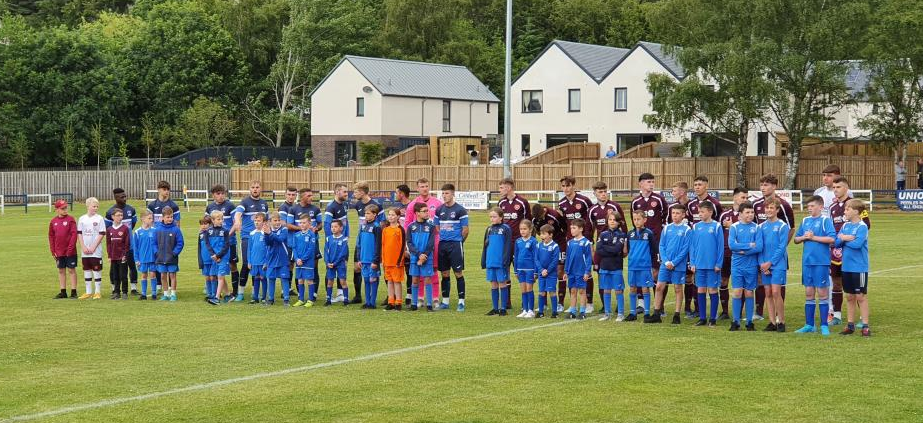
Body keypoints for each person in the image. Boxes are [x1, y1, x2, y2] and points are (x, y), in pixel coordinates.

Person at [828, 175, 871, 325]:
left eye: (838, 187)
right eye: (833, 187)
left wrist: (845, 238)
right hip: (838, 252)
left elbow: (865, 226)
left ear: (846, 188)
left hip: (857, 260)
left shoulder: (855, 206)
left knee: (859, 293)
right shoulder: (832, 208)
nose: (835, 190)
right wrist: (843, 239)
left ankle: (862, 320)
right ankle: (838, 315)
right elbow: (835, 235)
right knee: (837, 282)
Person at [753, 174, 795, 319]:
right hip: (762, 254)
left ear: (774, 186)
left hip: (778, 254)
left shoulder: (783, 205)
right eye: (761, 185)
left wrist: (781, 247)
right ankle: (759, 312)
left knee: (777, 287)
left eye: (766, 185)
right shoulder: (756, 204)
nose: (763, 188)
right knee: (763, 284)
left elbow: (791, 229)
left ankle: (779, 316)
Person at [793, 195, 836, 336]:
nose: (809, 209)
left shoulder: (825, 221)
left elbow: (831, 239)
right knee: (809, 293)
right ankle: (809, 325)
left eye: (812, 206)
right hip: (807, 262)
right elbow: (796, 239)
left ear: (820, 207)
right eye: (808, 206)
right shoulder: (805, 220)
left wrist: (813, 237)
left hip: (821, 262)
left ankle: (824, 325)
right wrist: (804, 237)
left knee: (822, 293)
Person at [631, 173, 667, 313]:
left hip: (656, 242)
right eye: (648, 182)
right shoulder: (635, 202)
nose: (651, 184)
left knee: (657, 272)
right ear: (640, 184)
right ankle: (641, 303)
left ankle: (660, 306)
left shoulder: (659, 199)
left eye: (652, 181)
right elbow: (634, 221)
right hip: (640, 244)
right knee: (640, 271)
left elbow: (666, 218)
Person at [588, 181, 627, 312]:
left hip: (616, 247)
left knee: (616, 274)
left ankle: (618, 305)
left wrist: (625, 246)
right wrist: (591, 248)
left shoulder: (615, 206)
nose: (603, 194)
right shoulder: (592, 210)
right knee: (601, 275)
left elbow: (624, 226)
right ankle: (606, 305)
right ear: (595, 194)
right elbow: (589, 230)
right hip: (601, 248)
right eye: (600, 192)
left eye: (605, 191)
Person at [404, 178, 442, 305]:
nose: (424, 188)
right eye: (421, 186)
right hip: (416, 243)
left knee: (433, 269)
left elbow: (441, 222)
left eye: (426, 186)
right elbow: (407, 225)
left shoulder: (437, 203)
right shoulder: (412, 205)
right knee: (418, 271)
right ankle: (420, 297)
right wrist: (407, 245)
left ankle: (435, 298)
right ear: (417, 188)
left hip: (433, 241)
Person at [649, 204, 690, 324]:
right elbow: (661, 245)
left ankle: (677, 315)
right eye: (673, 213)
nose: (675, 216)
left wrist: (674, 262)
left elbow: (685, 249)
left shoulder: (687, 230)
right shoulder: (667, 228)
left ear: (683, 215)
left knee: (678, 288)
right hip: (665, 264)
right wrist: (666, 261)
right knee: (659, 287)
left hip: (679, 265)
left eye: (678, 213)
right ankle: (656, 313)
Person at [558, 175, 593, 312]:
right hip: (570, 242)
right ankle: (571, 306)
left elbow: (591, 220)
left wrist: (589, 239)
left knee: (586, 270)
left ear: (573, 185)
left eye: (568, 185)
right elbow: (562, 224)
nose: (566, 188)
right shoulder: (561, 203)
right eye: (563, 186)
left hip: (585, 241)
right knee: (571, 269)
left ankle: (589, 303)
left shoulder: (584, 201)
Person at [836, 199, 871, 337]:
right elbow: (837, 243)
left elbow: (857, 245)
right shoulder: (845, 226)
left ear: (856, 211)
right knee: (850, 296)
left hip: (859, 267)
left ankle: (865, 326)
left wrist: (845, 239)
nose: (845, 212)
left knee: (860, 296)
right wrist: (846, 238)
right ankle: (850, 325)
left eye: (847, 209)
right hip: (847, 267)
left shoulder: (862, 227)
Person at [434, 184, 469, 311]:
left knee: (458, 273)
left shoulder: (460, 210)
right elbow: (437, 227)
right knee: (444, 273)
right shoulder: (439, 210)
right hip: (443, 244)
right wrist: (445, 237)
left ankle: (461, 302)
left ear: (453, 194)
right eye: (443, 193)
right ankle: (445, 302)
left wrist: (458, 241)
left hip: (455, 245)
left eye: (447, 193)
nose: (444, 196)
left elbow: (465, 230)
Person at [728, 202, 762, 331]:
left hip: (751, 266)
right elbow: (732, 245)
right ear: (740, 214)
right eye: (747, 212)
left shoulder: (757, 227)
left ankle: (749, 322)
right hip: (737, 265)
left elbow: (759, 247)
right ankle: (735, 321)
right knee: (737, 292)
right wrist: (749, 245)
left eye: (752, 212)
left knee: (749, 293)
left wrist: (743, 250)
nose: (750, 215)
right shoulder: (734, 227)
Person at [689, 201, 723, 327]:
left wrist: (718, 263)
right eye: (699, 212)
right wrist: (692, 262)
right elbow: (692, 246)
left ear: (710, 212)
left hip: (712, 265)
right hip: (699, 264)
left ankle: (713, 319)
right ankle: (702, 318)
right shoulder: (696, 227)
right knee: (701, 289)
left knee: (713, 290)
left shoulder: (716, 226)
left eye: (702, 212)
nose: (700, 214)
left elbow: (720, 247)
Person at [758, 198, 790, 332]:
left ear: (777, 210)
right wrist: (762, 264)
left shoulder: (783, 226)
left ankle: (781, 321)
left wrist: (770, 263)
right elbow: (759, 247)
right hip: (764, 265)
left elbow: (781, 247)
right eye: (767, 208)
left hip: (778, 264)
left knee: (776, 291)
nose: (769, 210)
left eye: (772, 208)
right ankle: (771, 322)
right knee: (768, 292)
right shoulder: (761, 226)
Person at [233, 180, 268, 301]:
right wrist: (237, 221)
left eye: (257, 187)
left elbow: (266, 220)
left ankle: (255, 292)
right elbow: (238, 213)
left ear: (260, 188)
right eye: (253, 187)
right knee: (247, 263)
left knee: (258, 264)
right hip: (248, 237)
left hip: (262, 238)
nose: (255, 189)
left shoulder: (264, 203)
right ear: (249, 189)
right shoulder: (245, 202)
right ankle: (241, 292)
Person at [352, 181, 385, 304]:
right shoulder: (357, 205)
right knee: (357, 269)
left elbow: (383, 223)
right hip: (362, 244)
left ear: (362, 192)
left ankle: (379, 299)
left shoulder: (376, 205)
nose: (354, 194)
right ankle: (359, 296)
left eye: (355, 191)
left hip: (373, 246)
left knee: (374, 276)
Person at [718, 188, 748, 319]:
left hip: (741, 255)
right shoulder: (724, 215)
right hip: (725, 254)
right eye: (743, 197)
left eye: (746, 198)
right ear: (735, 198)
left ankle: (739, 312)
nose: (745, 200)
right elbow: (718, 234)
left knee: (740, 284)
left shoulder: (747, 215)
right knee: (723, 281)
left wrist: (732, 226)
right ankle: (724, 312)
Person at [531, 203, 567, 313]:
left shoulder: (554, 215)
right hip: (545, 245)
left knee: (559, 271)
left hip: (559, 243)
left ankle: (560, 303)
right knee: (544, 269)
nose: (540, 219)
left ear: (544, 212)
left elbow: (565, 228)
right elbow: (537, 232)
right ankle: (544, 303)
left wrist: (562, 242)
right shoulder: (534, 219)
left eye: (541, 217)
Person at [205, 185, 239, 299]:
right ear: (213, 195)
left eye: (222, 193)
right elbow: (207, 224)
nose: (220, 196)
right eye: (218, 194)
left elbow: (236, 222)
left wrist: (227, 235)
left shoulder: (230, 205)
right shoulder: (210, 207)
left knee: (232, 265)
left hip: (230, 241)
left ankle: (235, 292)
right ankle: (225, 293)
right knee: (219, 267)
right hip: (216, 244)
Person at [669, 181, 696, 318]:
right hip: (677, 249)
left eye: (674, 191)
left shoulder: (692, 206)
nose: (672, 193)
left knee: (690, 276)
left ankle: (689, 308)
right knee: (681, 278)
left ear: (682, 192)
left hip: (691, 247)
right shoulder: (673, 208)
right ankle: (684, 308)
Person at [105, 188, 138, 294]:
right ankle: (114, 288)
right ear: (116, 198)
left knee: (132, 265)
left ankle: (133, 288)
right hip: (116, 246)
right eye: (122, 197)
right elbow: (109, 229)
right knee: (114, 268)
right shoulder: (110, 212)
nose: (125, 198)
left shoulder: (131, 210)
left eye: (125, 196)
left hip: (129, 244)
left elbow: (132, 224)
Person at [596, 211, 628, 321]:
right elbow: (599, 250)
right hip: (604, 266)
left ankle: (620, 314)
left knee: (618, 290)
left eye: (614, 220)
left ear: (619, 222)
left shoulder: (622, 235)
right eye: (610, 219)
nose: (612, 221)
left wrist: (606, 248)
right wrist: (610, 249)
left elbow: (617, 249)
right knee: (606, 290)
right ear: (607, 221)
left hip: (616, 267)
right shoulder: (603, 234)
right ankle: (607, 313)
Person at [290, 187, 323, 295]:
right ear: (302, 197)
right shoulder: (293, 209)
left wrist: (316, 228)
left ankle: (314, 293)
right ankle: (301, 293)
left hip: (313, 242)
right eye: (308, 195)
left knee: (314, 267)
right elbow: (289, 225)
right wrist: (303, 228)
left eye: (311, 195)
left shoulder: (316, 209)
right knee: (299, 266)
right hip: (299, 243)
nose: (311, 197)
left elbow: (320, 224)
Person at [482, 207, 513, 316]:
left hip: (501, 262)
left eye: (494, 217)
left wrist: (505, 260)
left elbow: (508, 245)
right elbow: (485, 246)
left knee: (502, 283)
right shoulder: (489, 229)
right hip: (491, 261)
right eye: (490, 217)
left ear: (501, 217)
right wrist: (484, 260)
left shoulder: (505, 229)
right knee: (493, 284)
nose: (492, 219)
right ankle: (495, 308)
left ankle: (503, 308)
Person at [626, 210, 657, 321]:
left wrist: (653, 266)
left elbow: (654, 250)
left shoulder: (648, 233)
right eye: (634, 219)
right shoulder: (630, 234)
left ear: (645, 220)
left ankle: (647, 314)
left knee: (645, 289)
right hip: (632, 266)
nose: (636, 221)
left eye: (639, 219)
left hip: (644, 266)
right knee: (633, 288)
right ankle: (632, 313)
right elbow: (629, 249)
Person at [407, 202, 437, 311]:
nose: (427, 213)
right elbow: (409, 243)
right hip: (415, 257)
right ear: (417, 213)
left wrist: (424, 255)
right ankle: (414, 304)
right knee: (415, 280)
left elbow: (431, 243)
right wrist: (419, 254)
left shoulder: (431, 227)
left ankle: (429, 304)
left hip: (427, 257)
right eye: (424, 211)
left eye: (427, 210)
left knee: (427, 279)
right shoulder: (411, 227)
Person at [49, 199, 79, 299]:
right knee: (61, 270)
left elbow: (74, 235)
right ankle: (63, 292)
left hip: (70, 251)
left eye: (66, 207)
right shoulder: (53, 221)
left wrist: (70, 249)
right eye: (62, 208)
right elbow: (51, 236)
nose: (65, 210)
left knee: (71, 270)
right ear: (57, 209)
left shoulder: (71, 219)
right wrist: (53, 250)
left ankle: (73, 292)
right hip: (59, 251)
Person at [564, 218, 593, 320]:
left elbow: (589, 259)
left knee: (582, 291)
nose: (572, 230)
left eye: (574, 228)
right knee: (572, 291)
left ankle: (582, 311)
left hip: (581, 271)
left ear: (580, 229)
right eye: (571, 228)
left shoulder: (586, 242)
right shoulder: (570, 243)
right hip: (572, 271)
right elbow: (567, 258)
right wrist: (566, 271)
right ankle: (572, 310)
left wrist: (587, 272)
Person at [77, 197, 106, 300]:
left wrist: (94, 246)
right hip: (85, 251)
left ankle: (97, 292)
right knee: (86, 269)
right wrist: (83, 246)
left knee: (96, 270)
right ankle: (88, 292)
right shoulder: (82, 219)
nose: (96, 208)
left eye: (97, 206)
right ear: (88, 206)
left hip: (96, 250)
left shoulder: (99, 218)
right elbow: (79, 234)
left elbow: (102, 233)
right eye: (94, 206)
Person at [153, 207, 184, 302]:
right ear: (162, 218)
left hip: (172, 258)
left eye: (171, 217)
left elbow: (180, 243)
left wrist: (175, 253)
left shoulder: (176, 229)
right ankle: (165, 294)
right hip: (161, 257)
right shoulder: (157, 229)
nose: (170, 219)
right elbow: (153, 243)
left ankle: (173, 294)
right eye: (168, 217)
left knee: (172, 276)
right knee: (162, 276)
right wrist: (156, 252)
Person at [356, 205, 383, 309]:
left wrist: (375, 260)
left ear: (374, 214)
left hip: (372, 260)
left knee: (373, 280)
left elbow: (378, 245)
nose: (366, 216)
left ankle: (372, 302)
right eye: (365, 213)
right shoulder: (362, 226)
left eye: (368, 213)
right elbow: (359, 243)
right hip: (363, 259)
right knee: (366, 280)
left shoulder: (376, 227)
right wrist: (359, 258)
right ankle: (367, 302)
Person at [204, 210, 232, 305]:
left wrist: (219, 255)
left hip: (223, 257)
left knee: (220, 276)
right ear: (212, 220)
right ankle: (228, 295)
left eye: (222, 219)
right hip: (214, 258)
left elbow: (226, 245)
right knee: (219, 276)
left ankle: (216, 298)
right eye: (218, 219)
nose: (221, 221)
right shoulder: (208, 231)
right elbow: (207, 244)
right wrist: (213, 255)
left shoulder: (225, 231)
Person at [264, 211, 291, 306]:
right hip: (271, 259)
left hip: (283, 259)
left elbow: (280, 239)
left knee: (284, 279)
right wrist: (267, 234)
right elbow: (267, 243)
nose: (277, 222)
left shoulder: (284, 229)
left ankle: (286, 299)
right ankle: (271, 299)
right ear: (270, 221)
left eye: (279, 220)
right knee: (271, 279)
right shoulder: (268, 231)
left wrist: (270, 233)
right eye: (275, 220)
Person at [381, 208, 406, 311]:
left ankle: (398, 302)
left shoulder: (400, 229)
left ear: (398, 217)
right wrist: (383, 259)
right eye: (389, 215)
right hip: (387, 261)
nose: (390, 217)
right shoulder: (385, 230)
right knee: (389, 281)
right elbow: (383, 245)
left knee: (396, 282)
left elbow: (403, 245)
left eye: (393, 215)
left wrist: (400, 260)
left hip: (397, 261)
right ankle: (391, 302)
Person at [513, 220, 538, 318]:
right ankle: (525, 310)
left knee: (529, 289)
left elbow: (536, 257)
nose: (522, 231)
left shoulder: (533, 241)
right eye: (521, 229)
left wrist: (536, 271)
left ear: (530, 230)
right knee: (523, 290)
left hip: (530, 270)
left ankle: (531, 310)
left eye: (524, 229)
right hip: (520, 269)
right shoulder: (518, 241)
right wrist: (515, 270)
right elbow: (515, 256)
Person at [535, 224, 561, 318]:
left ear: (550, 235)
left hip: (551, 274)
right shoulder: (538, 245)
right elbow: (536, 259)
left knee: (552, 291)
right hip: (541, 273)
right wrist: (541, 270)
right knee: (541, 291)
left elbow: (555, 261)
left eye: (544, 234)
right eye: (541, 234)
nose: (542, 236)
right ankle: (541, 311)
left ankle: (555, 312)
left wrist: (548, 270)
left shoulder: (555, 246)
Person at [292, 213, 318, 308]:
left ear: (309, 223)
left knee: (309, 281)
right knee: (300, 280)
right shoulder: (296, 235)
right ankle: (301, 299)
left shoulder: (311, 235)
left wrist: (302, 259)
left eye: (304, 223)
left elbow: (311, 249)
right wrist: (297, 258)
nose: (302, 224)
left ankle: (310, 300)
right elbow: (294, 248)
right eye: (300, 223)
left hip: (308, 262)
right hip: (298, 262)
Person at [106, 209, 132, 300]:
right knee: (115, 275)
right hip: (113, 256)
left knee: (123, 275)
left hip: (122, 256)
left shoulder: (125, 228)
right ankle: (117, 292)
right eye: (118, 215)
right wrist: (109, 255)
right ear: (113, 217)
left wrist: (124, 254)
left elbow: (127, 243)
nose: (120, 217)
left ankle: (124, 292)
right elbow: (108, 243)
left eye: (121, 215)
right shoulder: (109, 229)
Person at [278, 186, 299, 298]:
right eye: (289, 194)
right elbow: (283, 224)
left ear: (296, 195)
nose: (291, 197)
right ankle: (284, 290)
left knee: (291, 265)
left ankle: (289, 288)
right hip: (286, 241)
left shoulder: (296, 207)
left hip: (295, 240)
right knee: (287, 265)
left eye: (293, 194)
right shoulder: (283, 207)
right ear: (285, 195)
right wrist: (300, 227)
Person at [323, 220, 350, 307]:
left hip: (340, 264)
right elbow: (326, 251)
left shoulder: (344, 239)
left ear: (341, 228)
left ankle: (346, 299)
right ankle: (328, 299)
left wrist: (335, 263)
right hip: (330, 264)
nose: (333, 228)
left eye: (335, 227)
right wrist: (327, 262)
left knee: (343, 281)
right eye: (332, 227)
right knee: (330, 281)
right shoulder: (328, 238)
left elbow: (343, 253)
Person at [133, 210, 157, 300]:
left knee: (153, 275)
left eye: (152, 218)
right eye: (149, 218)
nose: (151, 220)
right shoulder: (137, 232)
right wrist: (136, 259)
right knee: (143, 275)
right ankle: (143, 294)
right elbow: (135, 247)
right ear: (143, 219)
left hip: (152, 258)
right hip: (142, 259)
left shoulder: (155, 231)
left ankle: (154, 293)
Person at [247, 213, 269, 304]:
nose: (256, 222)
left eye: (259, 221)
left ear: (264, 222)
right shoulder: (252, 234)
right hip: (254, 261)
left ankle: (264, 297)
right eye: (255, 221)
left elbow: (268, 249)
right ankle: (255, 297)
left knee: (263, 277)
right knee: (256, 278)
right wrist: (249, 261)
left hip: (263, 261)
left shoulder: (266, 234)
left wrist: (266, 262)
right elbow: (249, 249)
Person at [197, 218, 212, 301]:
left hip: (212, 259)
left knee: (213, 276)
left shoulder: (212, 234)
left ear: (210, 225)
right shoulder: (200, 235)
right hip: (204, 259)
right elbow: (199, 248)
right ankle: (209, 293)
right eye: (202, 224)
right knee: (207, 277)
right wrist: (200, 260)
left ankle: (215, 292)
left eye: (206, 224)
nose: (204, 226)